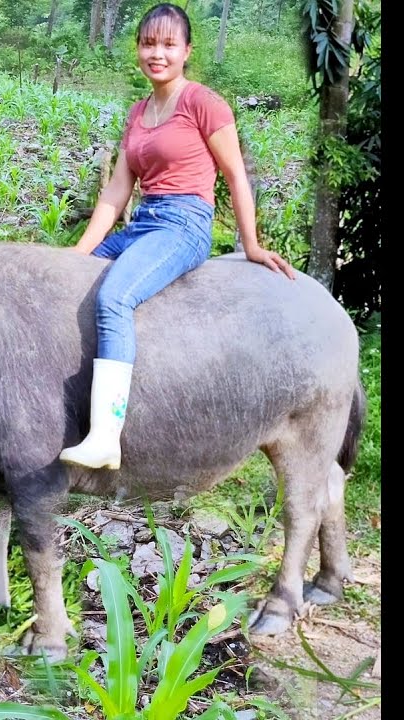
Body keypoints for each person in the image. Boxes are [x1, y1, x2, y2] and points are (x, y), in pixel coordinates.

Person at [59, 3, 296, 471]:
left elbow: (235, 176)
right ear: (138, 50)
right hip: (142, 223)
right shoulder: (138, 112)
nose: (157, 53)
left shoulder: (202, 103)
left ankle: (107, 435)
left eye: (168, 44)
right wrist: (78, 254)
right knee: (69, 284)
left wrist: (250, 244)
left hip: (184, 224)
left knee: (115, 299)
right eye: (149, 43)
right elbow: (116, 192)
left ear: (186, 51)